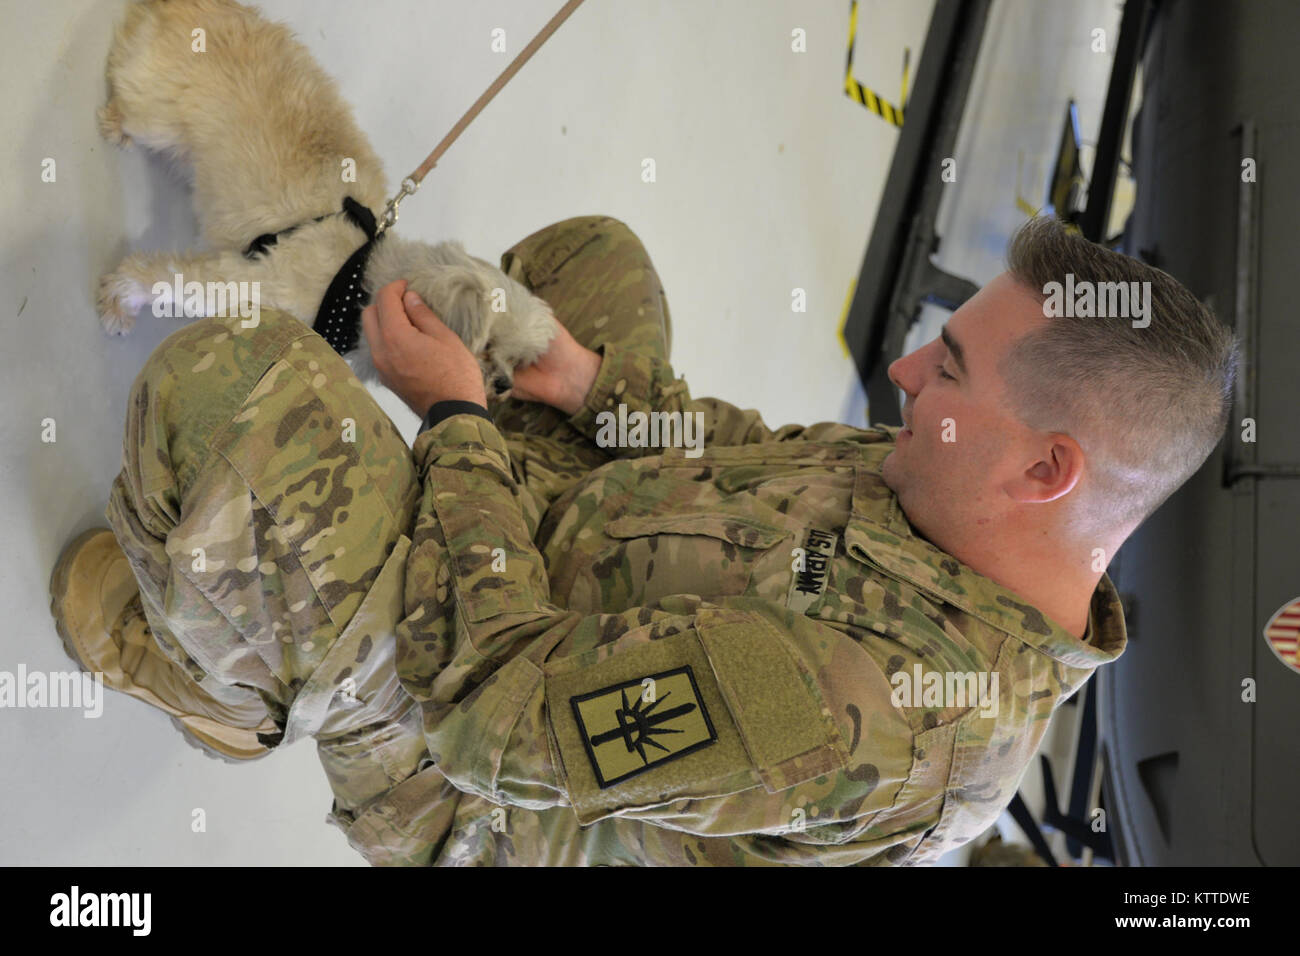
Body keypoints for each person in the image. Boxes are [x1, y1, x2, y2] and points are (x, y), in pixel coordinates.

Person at [50, 214, 1236, 865]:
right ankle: (330, 564)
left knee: (224, 386)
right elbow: (752, 451)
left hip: (476, 767)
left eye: (952, 368)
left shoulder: (875, 713)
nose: (905, 367)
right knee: (591, 260)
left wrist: (458, 421)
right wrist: (587, 388)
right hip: (579, 554)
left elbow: (489, 710)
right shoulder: (950, 480)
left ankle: (240, 691)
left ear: (1046, 470)